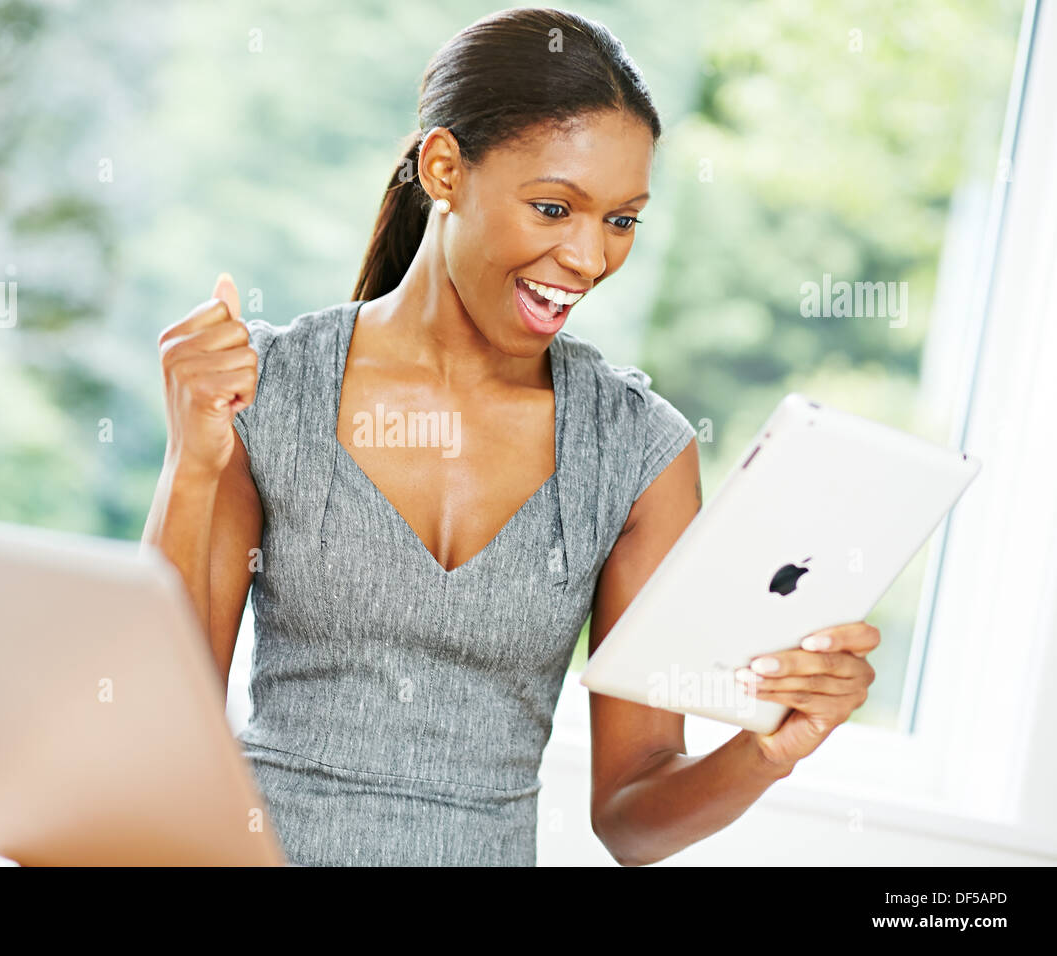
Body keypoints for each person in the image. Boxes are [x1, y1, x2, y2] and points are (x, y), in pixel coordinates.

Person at [143, 7, 878, 867]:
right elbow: (157, 724)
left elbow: (632, 817)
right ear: (445, 168)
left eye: (621, 220)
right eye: (554, 207)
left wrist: (766, 750)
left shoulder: (637, 452)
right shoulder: (271, 389)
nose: (588, 258)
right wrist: (193, 463)